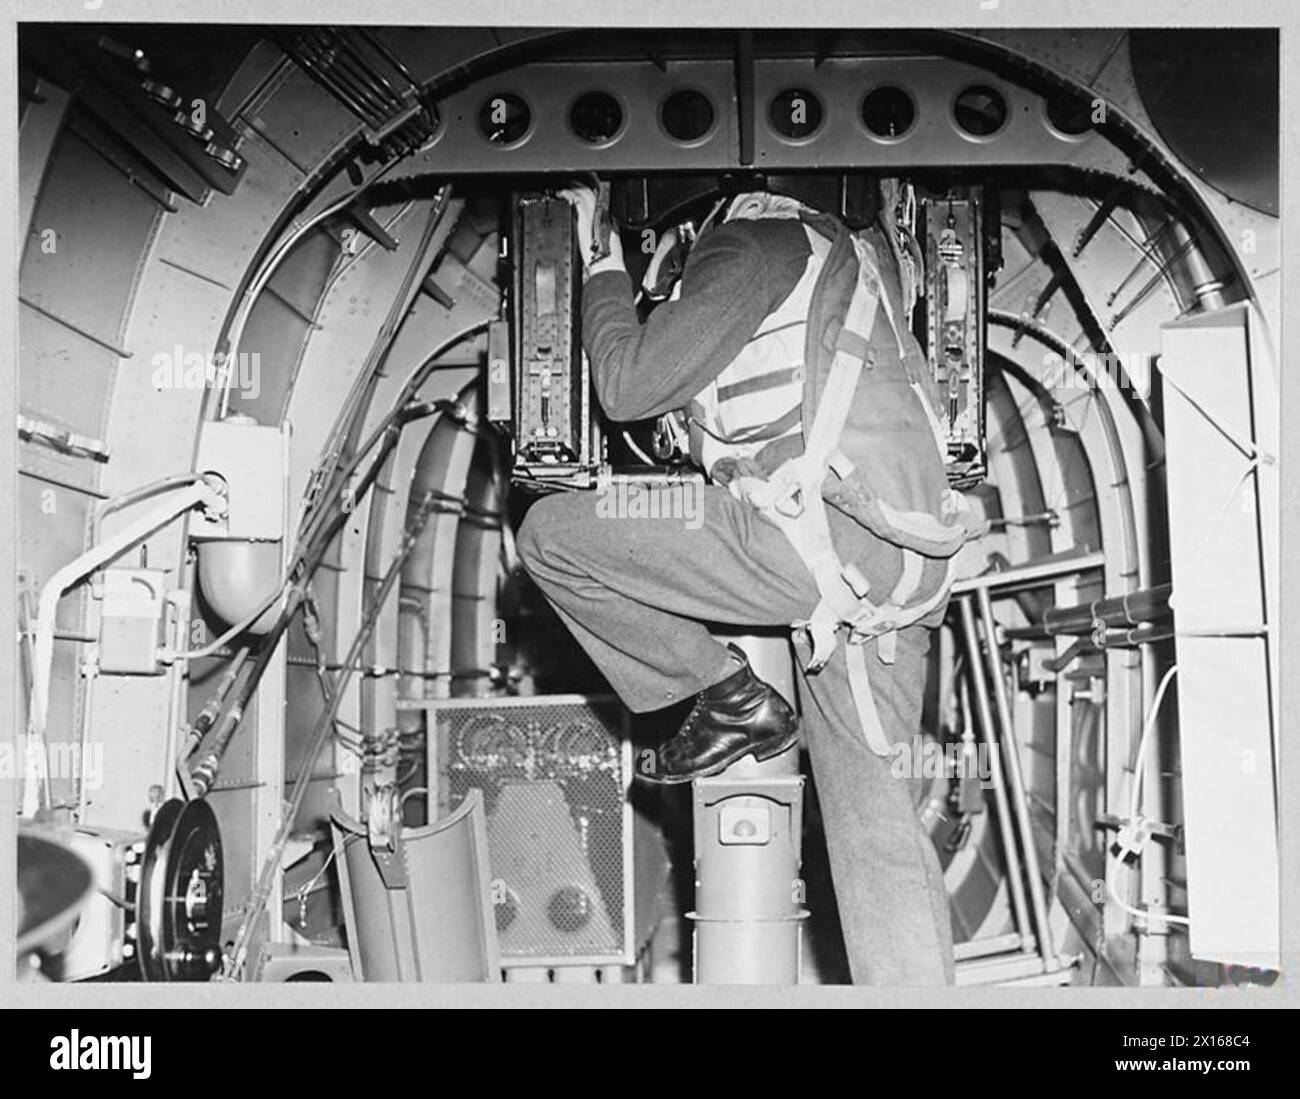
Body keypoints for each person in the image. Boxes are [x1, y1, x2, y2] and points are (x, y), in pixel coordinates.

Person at [515, 179, 973, 985]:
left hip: (809, 542)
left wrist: (603, 270)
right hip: (895, 564)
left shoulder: (745, 245)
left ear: (685, 233)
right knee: (881, 842)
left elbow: (625, 385)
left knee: (552, 535)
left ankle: (723, 690)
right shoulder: (856, 259)